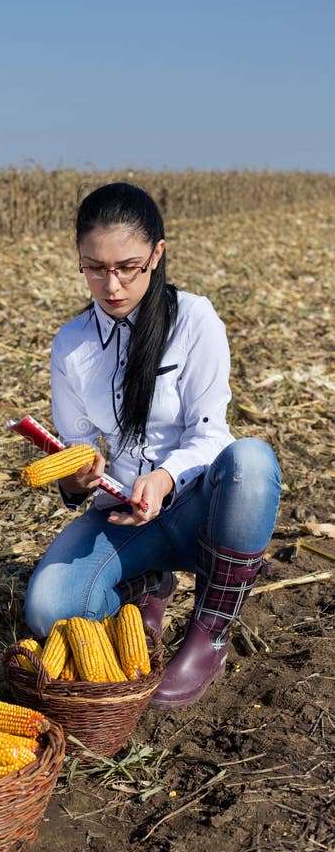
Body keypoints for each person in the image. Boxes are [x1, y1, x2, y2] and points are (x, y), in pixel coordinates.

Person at [24, 182, 281, 709]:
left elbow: (210, 433)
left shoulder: (193, 320)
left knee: (251, 461)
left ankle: (210, 632)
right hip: (122, 513)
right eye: (94, 267)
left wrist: (164, 478)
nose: (111, 284)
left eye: (128, 267)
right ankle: (146, 587)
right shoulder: (70, 345)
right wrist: (76, 476)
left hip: (196, 506)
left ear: (157, 254)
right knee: (50, 611)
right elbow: (75, 447)